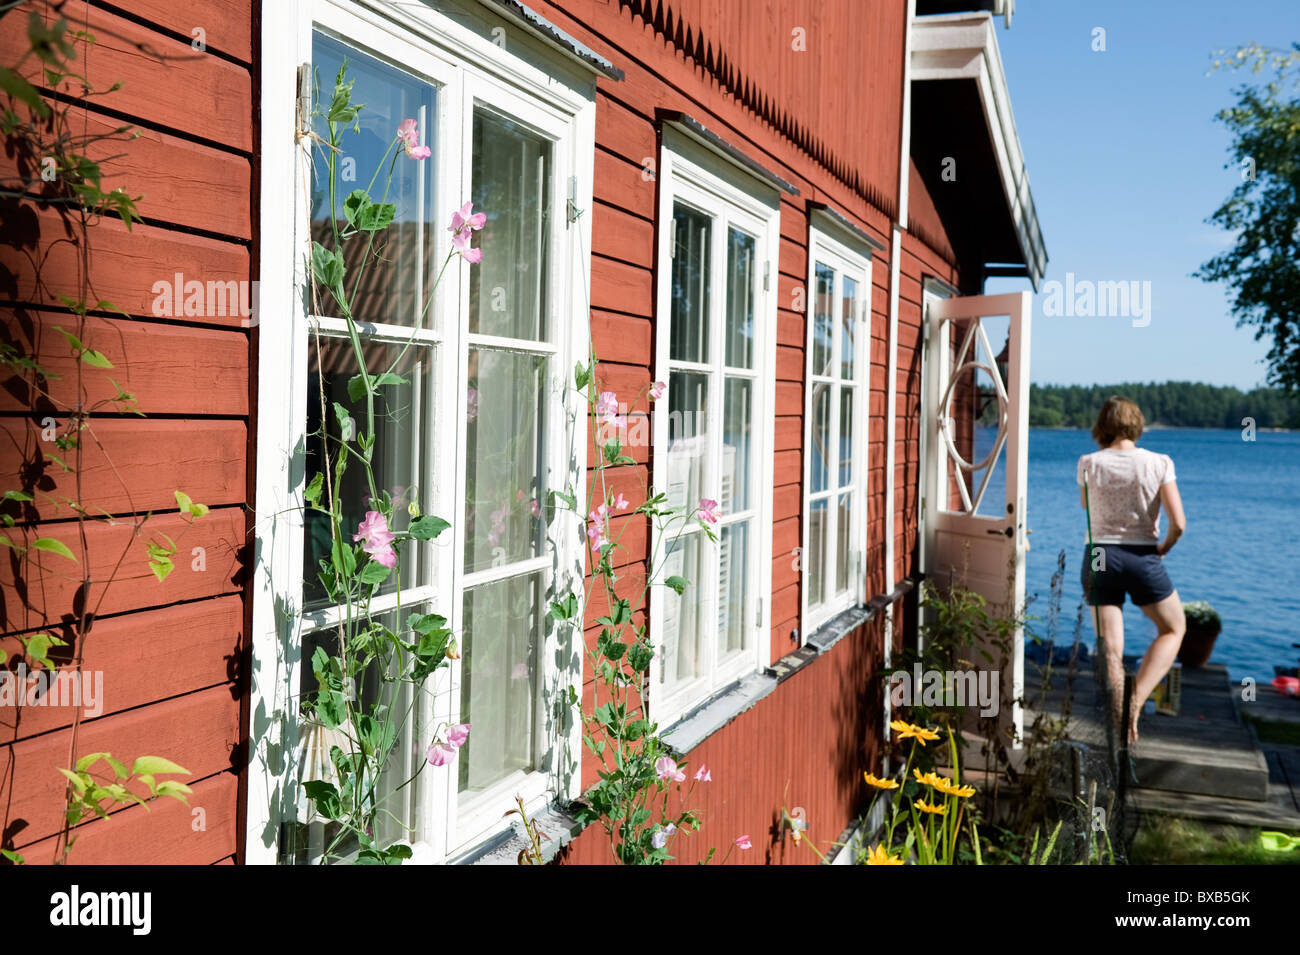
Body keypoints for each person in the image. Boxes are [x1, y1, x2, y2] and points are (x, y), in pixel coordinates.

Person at [1077, 396, 1187, 744]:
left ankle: (1118, 721)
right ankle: (1135, 700)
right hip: (1142, 557)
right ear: (1137, 424)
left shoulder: (1088, 463)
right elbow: (1179, 524)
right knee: (1173, 628)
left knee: (1111, 648)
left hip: (1099, 556)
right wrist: (1163, 548)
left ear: (1102, 426)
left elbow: (1086, 505)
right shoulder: (1160, 463)